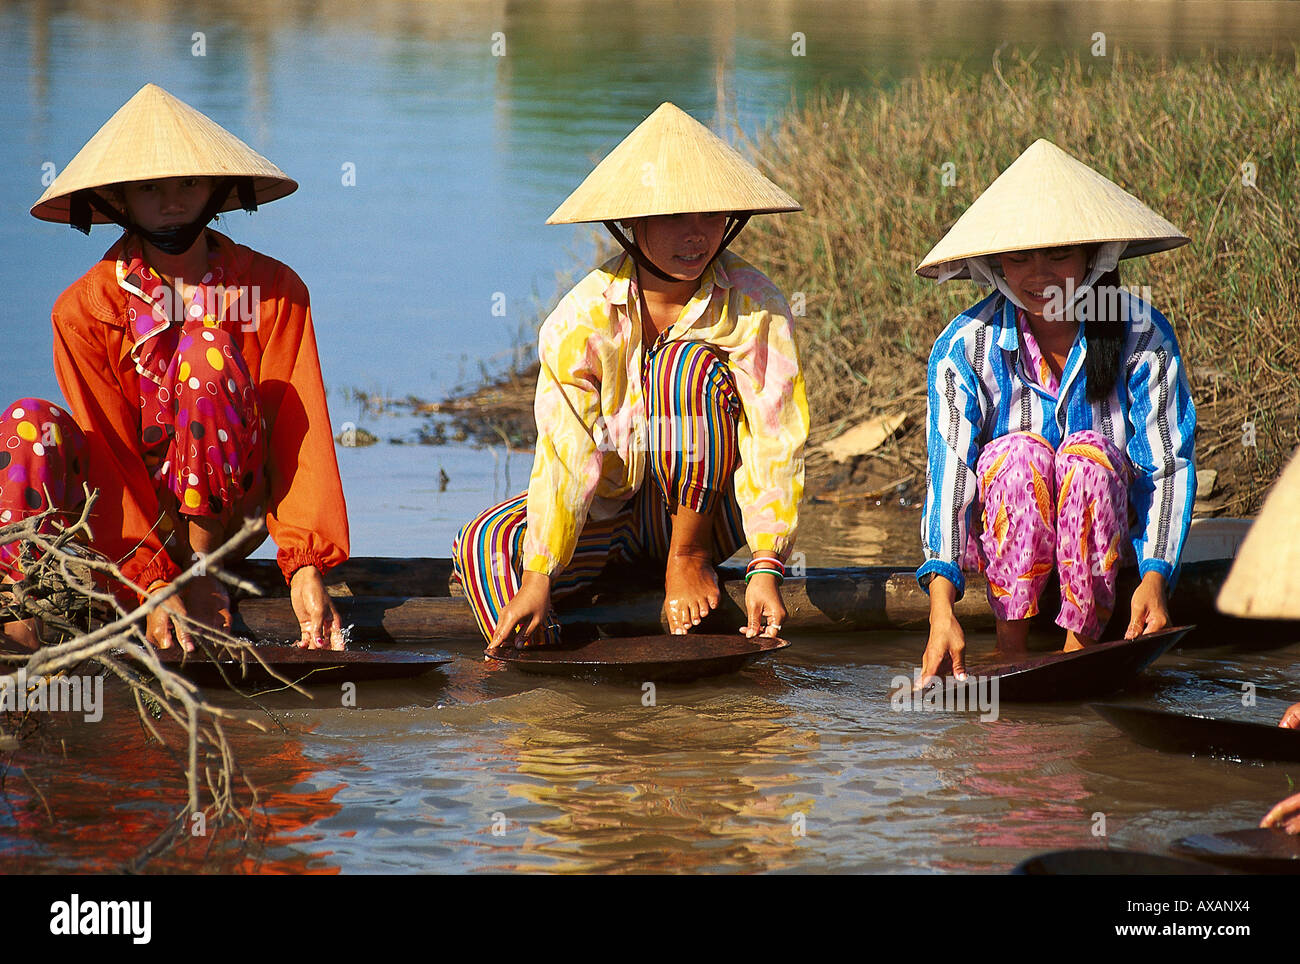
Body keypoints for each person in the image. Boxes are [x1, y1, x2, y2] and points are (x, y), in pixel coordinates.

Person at [452, 102, 808, 653]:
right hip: (610, 514)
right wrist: (539, 573)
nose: (697, 237)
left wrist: (766, 565)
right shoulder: (580, 318)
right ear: (632, 225)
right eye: (674, 218)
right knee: (485, 542)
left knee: (681, 368)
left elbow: (775, 435)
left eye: (711, 217)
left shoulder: (756, 303)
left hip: (709, 512)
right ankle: (552, 653)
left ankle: (685, 561)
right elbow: (565, 450)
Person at [4, 83, 348, 652]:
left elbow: (298, 433)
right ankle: (18, 622)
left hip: (231, 515)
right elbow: (110, 452)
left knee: (203, 354)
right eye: (149, 187)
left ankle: (204, 569)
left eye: (188, 182)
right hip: (124, 527)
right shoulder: (84, 310)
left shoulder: (274, 290)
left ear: (216, 186)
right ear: (118, 199)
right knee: (26, 422)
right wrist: (150, 578)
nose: (171, 201)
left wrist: (306, 563)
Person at [912, 139, 1197, 684]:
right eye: (1019, 257)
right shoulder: (965, 348)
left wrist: (1156, 577)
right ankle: (1012, 652)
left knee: (1087, 459)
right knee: (1018, 455)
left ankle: (1077, 652)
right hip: (1003, 550)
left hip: (1114, 543)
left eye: (1058, 254)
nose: (1039, 274)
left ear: (1092, 257)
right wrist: (942, 606)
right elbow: (949, 475)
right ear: (996, 265)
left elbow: (1167, 466)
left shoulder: (1142, 334)